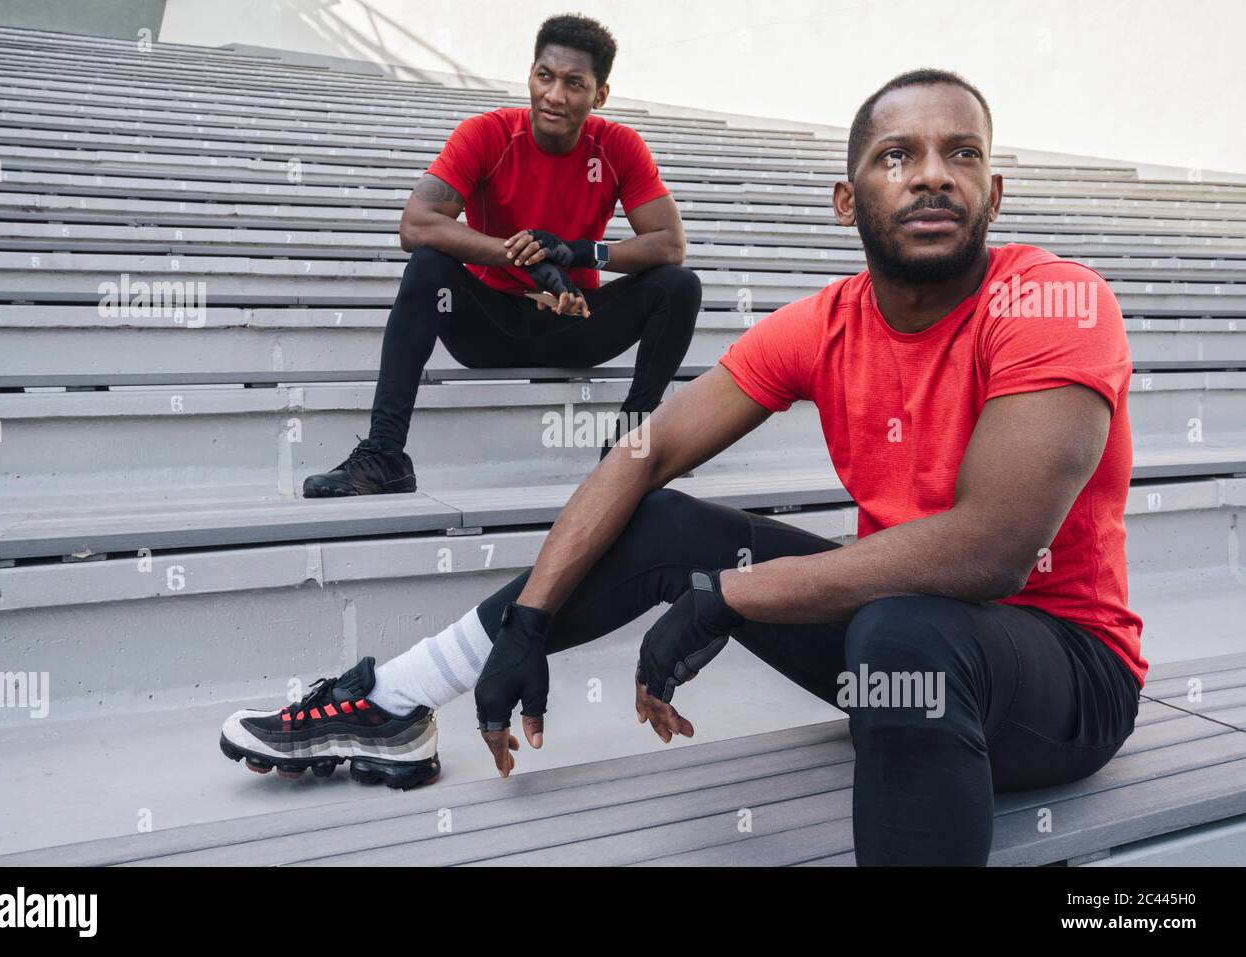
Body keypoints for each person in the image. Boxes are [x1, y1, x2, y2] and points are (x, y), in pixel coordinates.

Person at [221, 68, 1147, 867]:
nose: (934, 175)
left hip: (1063, 673)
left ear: (995, 193)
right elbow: (645, 450)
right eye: (897, 156)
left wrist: (733, 595)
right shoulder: (825, 322)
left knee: (904, 633)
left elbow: (993, 551)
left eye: (964, 154)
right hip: (899, 649)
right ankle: (397, 699)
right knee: (665, 519)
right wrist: (531, 622)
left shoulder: (1054, 298)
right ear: (846, 197)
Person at [301, 13, 700, 496]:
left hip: (574, 322)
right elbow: (416, 224)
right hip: (489, 328)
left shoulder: (618, 146)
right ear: (530, 73)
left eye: (574, 83)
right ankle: (386, 454)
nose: (554, 95)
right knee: (428, 265)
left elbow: (669, 244)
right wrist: (523, 258)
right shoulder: (486, 134)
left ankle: (628, 449)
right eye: (545, 76)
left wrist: (575, 252)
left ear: (599, 95)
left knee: (679, 286)